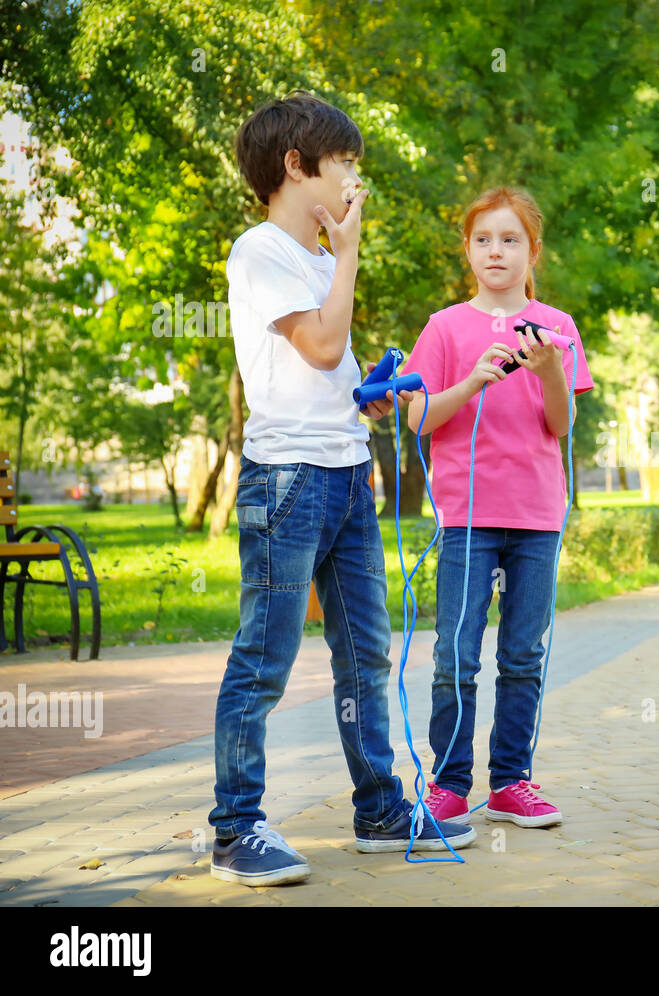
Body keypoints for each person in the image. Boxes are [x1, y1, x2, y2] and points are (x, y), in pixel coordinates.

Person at [210, 91, 475, 887]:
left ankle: (380, 807)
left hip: (347, 477)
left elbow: (331, 372)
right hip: (287, 482)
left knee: (366, 656)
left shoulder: (320, 260)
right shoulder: (261, 250)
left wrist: (373, 392)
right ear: (297, 166)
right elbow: (321, 346)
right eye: (346, 165)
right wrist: (349, 251)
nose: (355, 182)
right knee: (266, 656)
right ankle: (235, 827)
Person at [403, 186, 593, 829]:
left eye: (511, 239)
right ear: (467, 250)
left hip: (537, 515)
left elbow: (561, 426)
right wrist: (472, 381)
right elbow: (419, 418)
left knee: (523, 654)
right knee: (457, 651)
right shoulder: (444, 326)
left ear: (533, 250)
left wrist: (546, 373)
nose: (496, 251)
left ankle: (512, 782)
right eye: (483, 239)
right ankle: (449, 784)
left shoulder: (558, 328)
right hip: (465, 517)